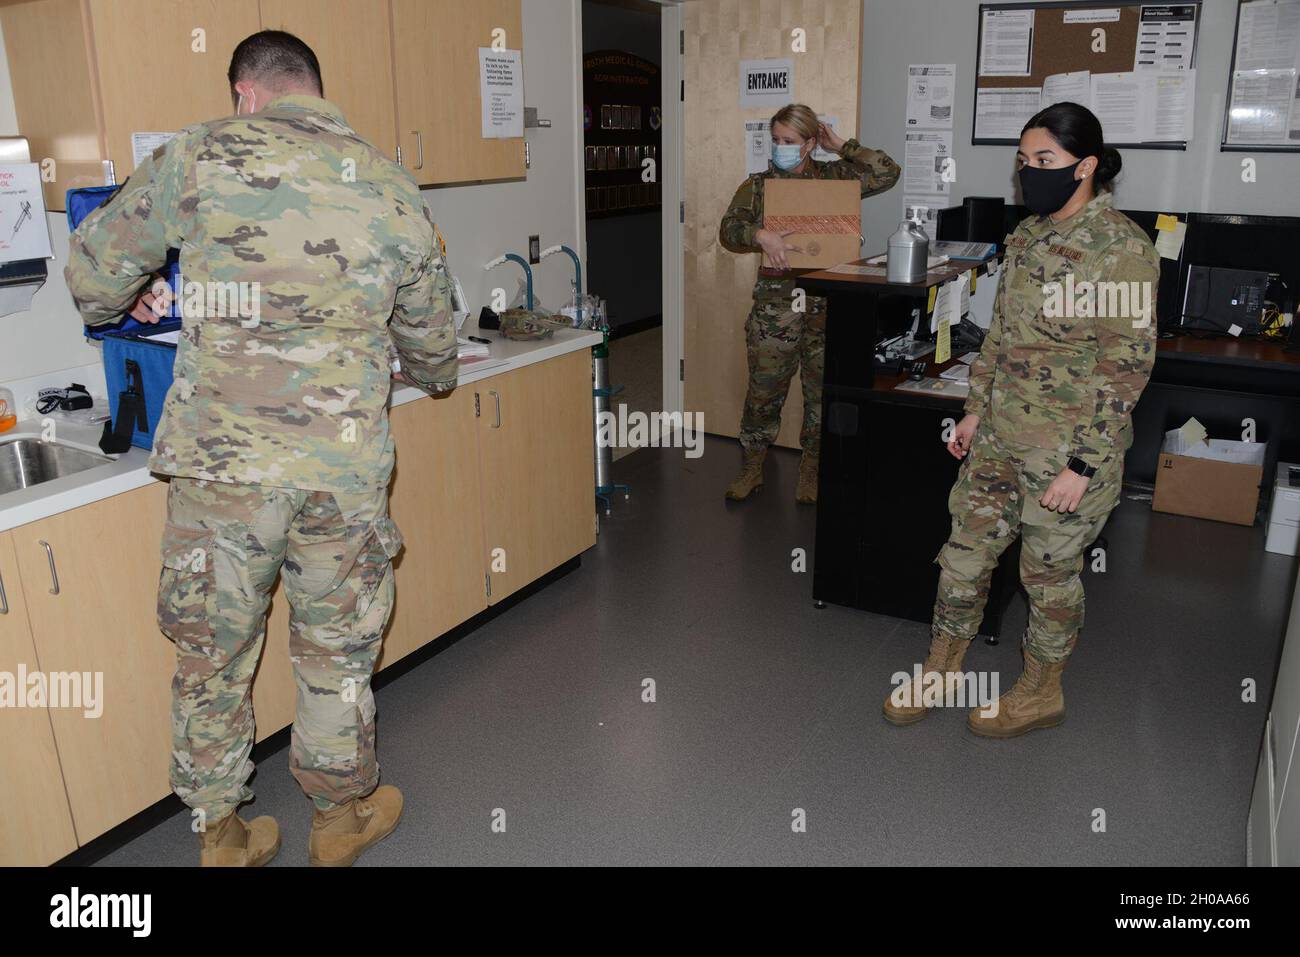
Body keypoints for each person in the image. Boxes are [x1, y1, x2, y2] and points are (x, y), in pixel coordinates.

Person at [64, 30, 458, 866]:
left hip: (222, 472)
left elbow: (94, 274)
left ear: (245, 92)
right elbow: (434, 351)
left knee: (214, 654)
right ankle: (339, 818)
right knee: (336, 651)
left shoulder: (198, 154)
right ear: (313, 86)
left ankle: (223, 834)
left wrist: (136, 294)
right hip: (341, 475)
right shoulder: (390, 184)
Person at [881, 102, 1159, 736]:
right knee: (961, 562)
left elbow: (1126, 370)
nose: (1030, 173)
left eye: (1045, 162)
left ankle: (1040, 691)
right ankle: (941, 668)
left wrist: (1083, 467)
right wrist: (976, 411)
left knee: (1047, 578)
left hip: (1068, 456)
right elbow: (1001, 337)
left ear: (1086, 166)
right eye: (1024, 161)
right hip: (1001, 441)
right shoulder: (1028, 235)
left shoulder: (1120, 249)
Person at [719, 104, 899, 504]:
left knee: (821, 395)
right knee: (764, 391)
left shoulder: (836, 178)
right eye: (777, 140)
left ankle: (812, 470)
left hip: (827, 303)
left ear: (811, 143)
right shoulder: (760, 186)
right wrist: (759, 234)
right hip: (775, 309)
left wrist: (843, 146)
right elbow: (728, 230)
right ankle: (752, 467)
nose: (781, 148)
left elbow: (888, 172)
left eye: (790, 141)